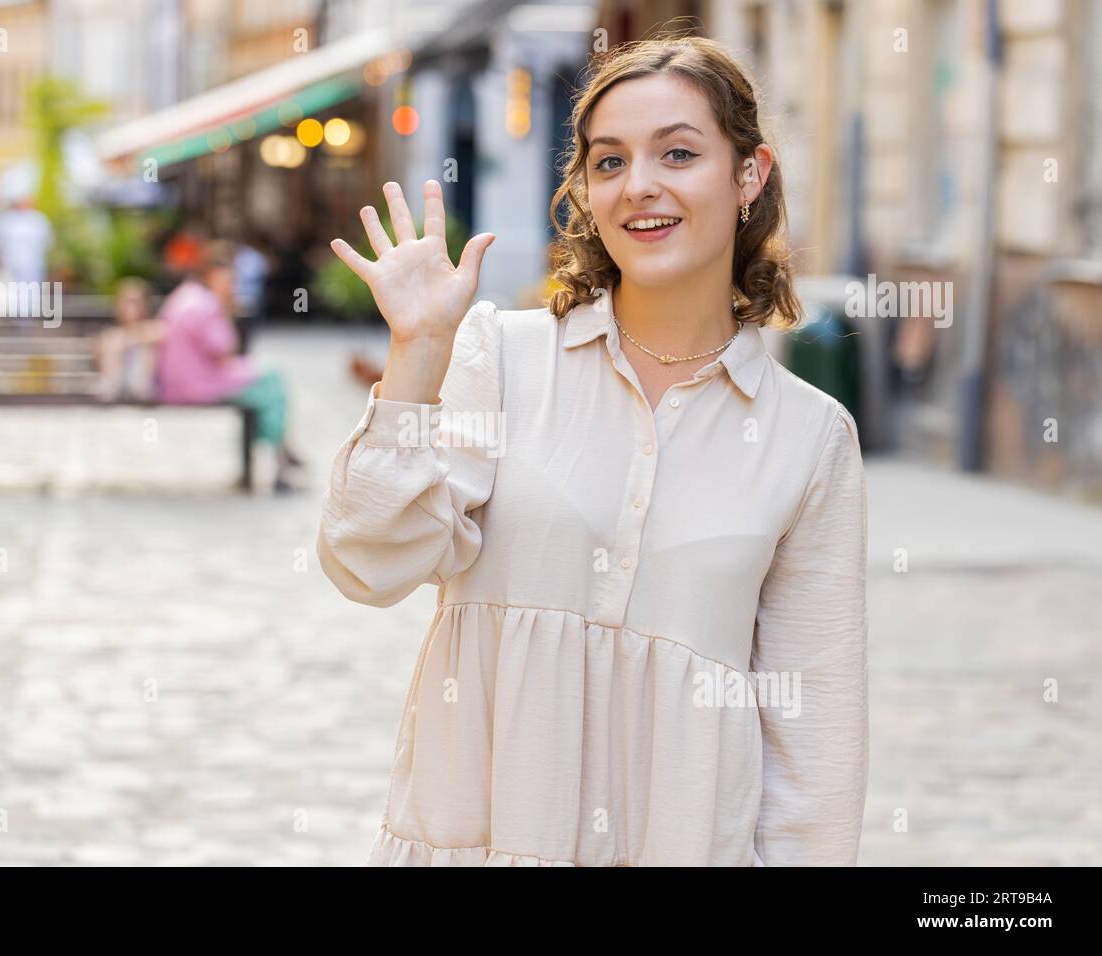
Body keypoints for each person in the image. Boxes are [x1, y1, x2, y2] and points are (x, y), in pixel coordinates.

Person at [318, 33, 868, 866]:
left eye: (678, 153)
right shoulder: (499, 359)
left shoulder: (809, 436)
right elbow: (368, 561)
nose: (640, 186)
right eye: (609, 162)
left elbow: (814, 734)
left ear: (748, 175)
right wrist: (418, 355)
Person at [155, 240, 306, 491]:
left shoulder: (185, 295)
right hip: (197, 385)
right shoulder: (205, 304)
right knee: (273, 384)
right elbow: (224, 347)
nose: (232, 284)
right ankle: (278, 454)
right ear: (214, 275)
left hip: (180, 380)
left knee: (268, 381)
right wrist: (228, 309)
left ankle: (279, 450)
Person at [95, 277, 164, 402]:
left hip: (145, 393)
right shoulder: (110, 336)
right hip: (117, 390)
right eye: (127, 302)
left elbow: (160, 332)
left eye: (135, 302)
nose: (131, 307)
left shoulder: (152, 329)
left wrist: (131, 339)